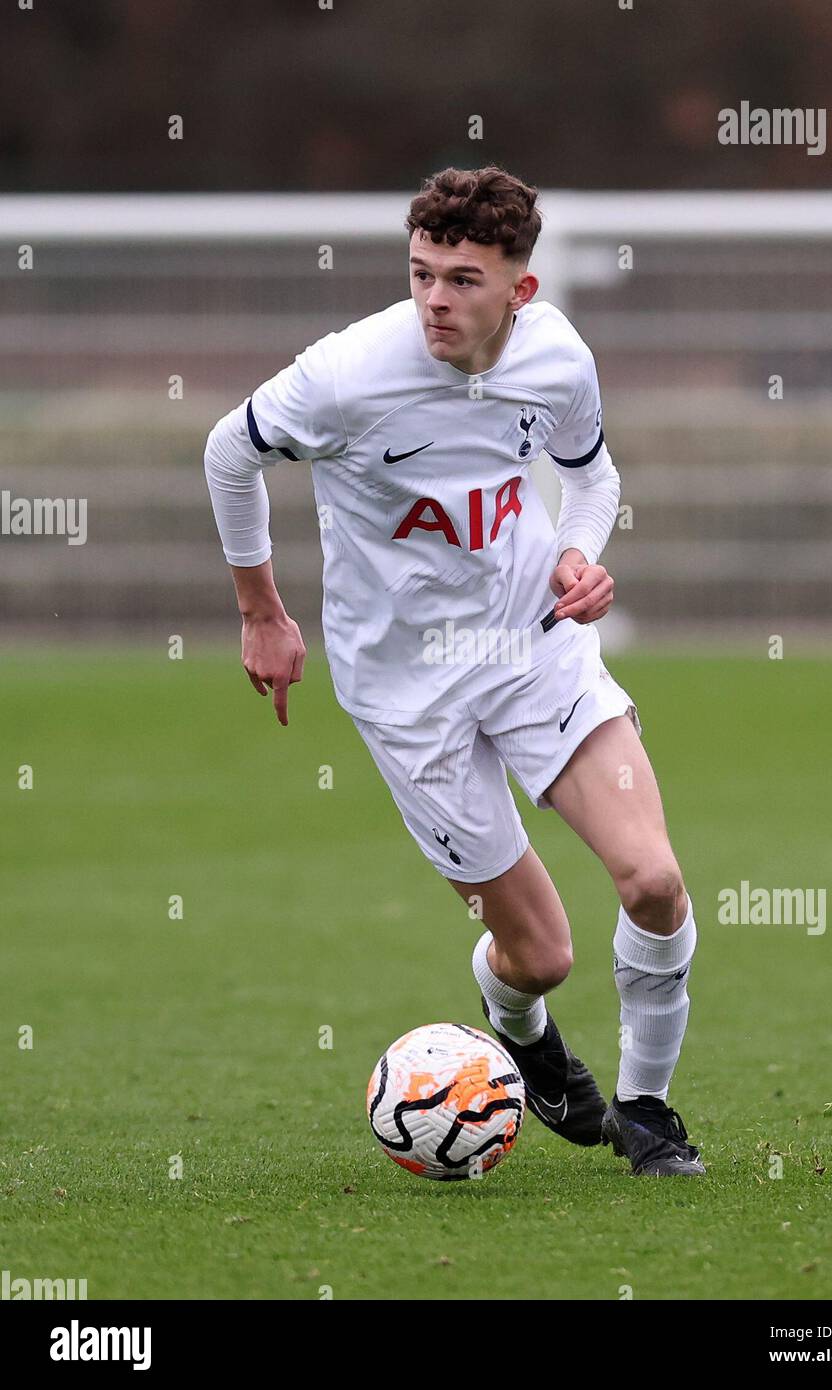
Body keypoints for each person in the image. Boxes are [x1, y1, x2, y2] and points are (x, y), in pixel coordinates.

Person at [204, 164, 704, 1176]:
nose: (434, 298)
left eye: (463, 279)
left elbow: (590, 474)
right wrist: (262, 612)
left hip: (532, 649)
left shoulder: (558, 356)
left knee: (654, 881)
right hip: (406, 691)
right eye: (422, 273)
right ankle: (521, 1027)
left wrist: (579, 554)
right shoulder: (348, 374)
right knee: (542, 957)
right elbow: (228, 452)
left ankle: (648, 1112)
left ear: (520, 289)